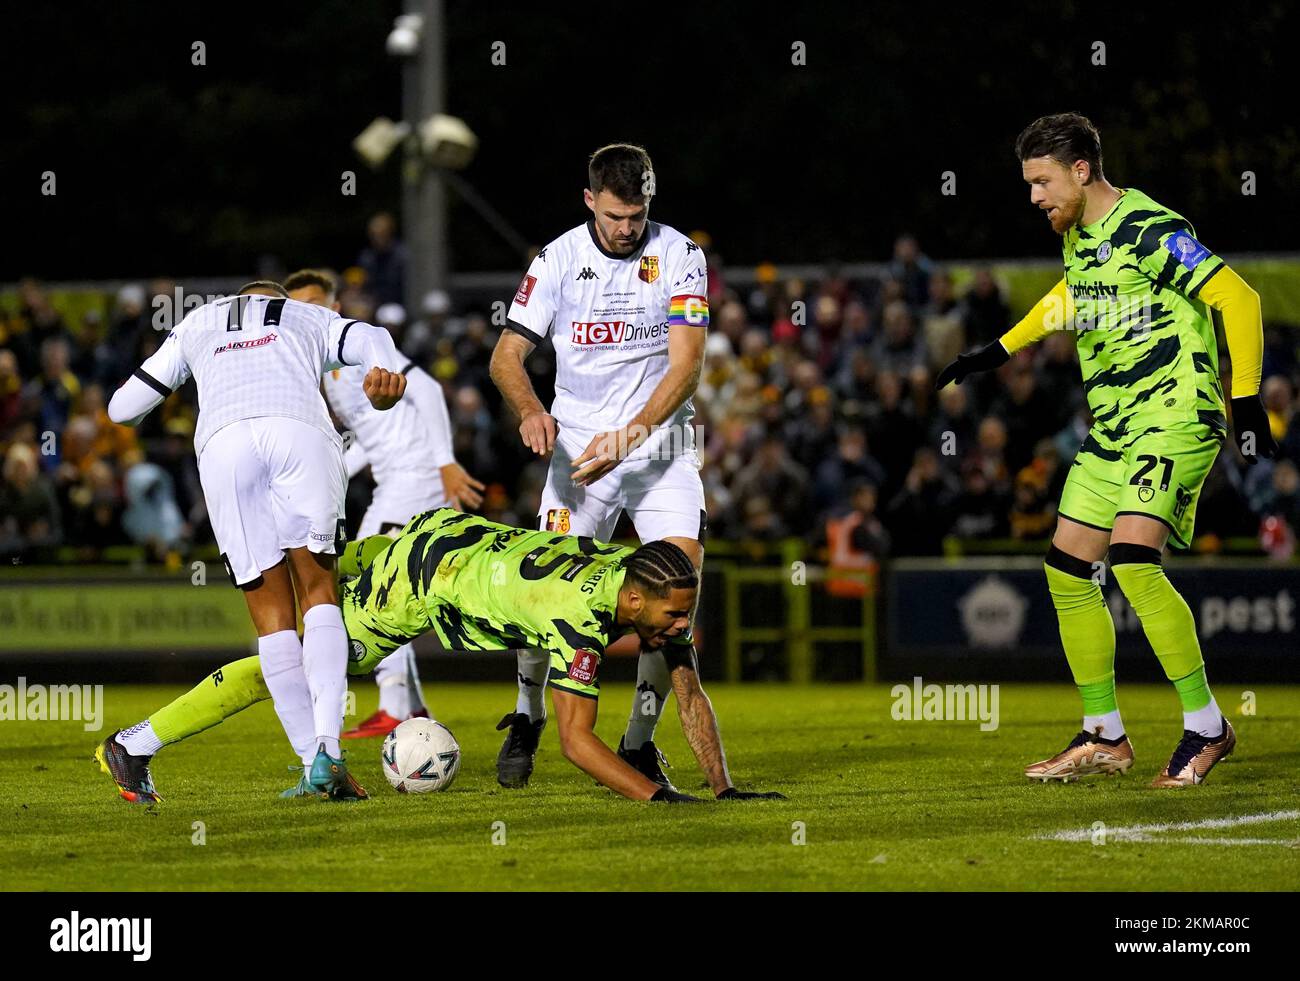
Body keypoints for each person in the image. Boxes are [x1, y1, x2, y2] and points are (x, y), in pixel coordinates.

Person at [937, 112, 1274, 787]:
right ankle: (1105, 733)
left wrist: (1248, 402)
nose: (1033, 196)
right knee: (1066, 570)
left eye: (1041, 181)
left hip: (1175, 413)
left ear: (1081, 170)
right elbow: (1073, 297)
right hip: (1115, 426)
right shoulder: (1080, 236)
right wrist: (997, 351)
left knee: (1132, 560)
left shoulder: (1149, 229)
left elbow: (1239, 298)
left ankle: (1208, 727)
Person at [98, 509, 787, 804]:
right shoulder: (580, 616)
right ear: (634, 603)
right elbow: (578, 743)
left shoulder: (640, 580)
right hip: (422, 582)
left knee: (305, 622)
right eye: (675, 614)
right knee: (305, 662)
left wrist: (721, 788)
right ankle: (136, 743)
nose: (683, 624)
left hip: (446, 535)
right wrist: (661, 798)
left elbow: (689, 687)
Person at [97, 282, 408, 802]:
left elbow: (121, 410)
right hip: (299, 433)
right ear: (278, 298)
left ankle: (313, 761)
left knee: (271, 620)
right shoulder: (304, 316)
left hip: (223, 445)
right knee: (318, 594)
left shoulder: (196, 323)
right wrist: (382, 375)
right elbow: (372, 335)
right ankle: (328, 748)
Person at [488, 143, 718, 790]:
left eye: (637, 214)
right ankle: (528, 713)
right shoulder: (556, 260)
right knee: (545, 594)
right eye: (615, 215)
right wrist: (531, 410)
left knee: (677, 592)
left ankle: (638, 741)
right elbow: (507, 358)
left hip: (660, 448)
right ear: (590, 201)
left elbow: (687, 363)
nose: (627, 227)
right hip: (579, 452)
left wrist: (634, 435)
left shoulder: (680, 254)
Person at [283, 268, 485, 739]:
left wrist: (445, 463)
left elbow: (431, 391)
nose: (307, 314)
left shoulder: (356, 348)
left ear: (334, 307)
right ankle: (410, 708)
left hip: (416, 480)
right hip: (395, 481)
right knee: (385, 584)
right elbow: (370, 443)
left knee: (373, 582)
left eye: (315, 302)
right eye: (297, 308)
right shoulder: (323, 367)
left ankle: (395, 705)